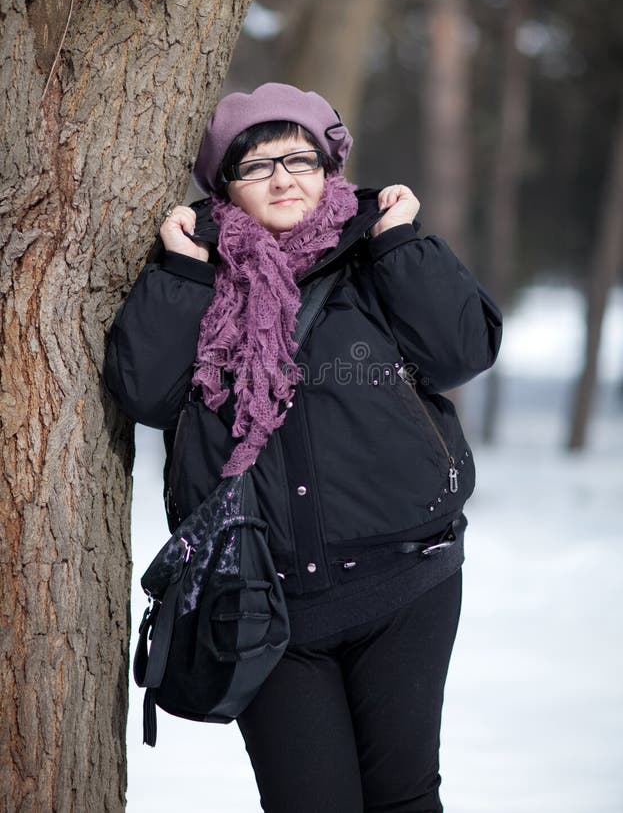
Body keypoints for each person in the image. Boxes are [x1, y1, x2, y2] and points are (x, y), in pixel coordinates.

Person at [104, 82, 502, 812]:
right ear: (222, 184)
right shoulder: (198, 273)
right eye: (256, 165)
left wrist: (402, 246)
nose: (284, 178)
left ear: (330, 169)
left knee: (403, 796)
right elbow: (146, 394)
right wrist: (184, 273)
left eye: (300, 158)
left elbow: (459, 353)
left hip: (405, 580)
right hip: (260, 600)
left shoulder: (374, 254)